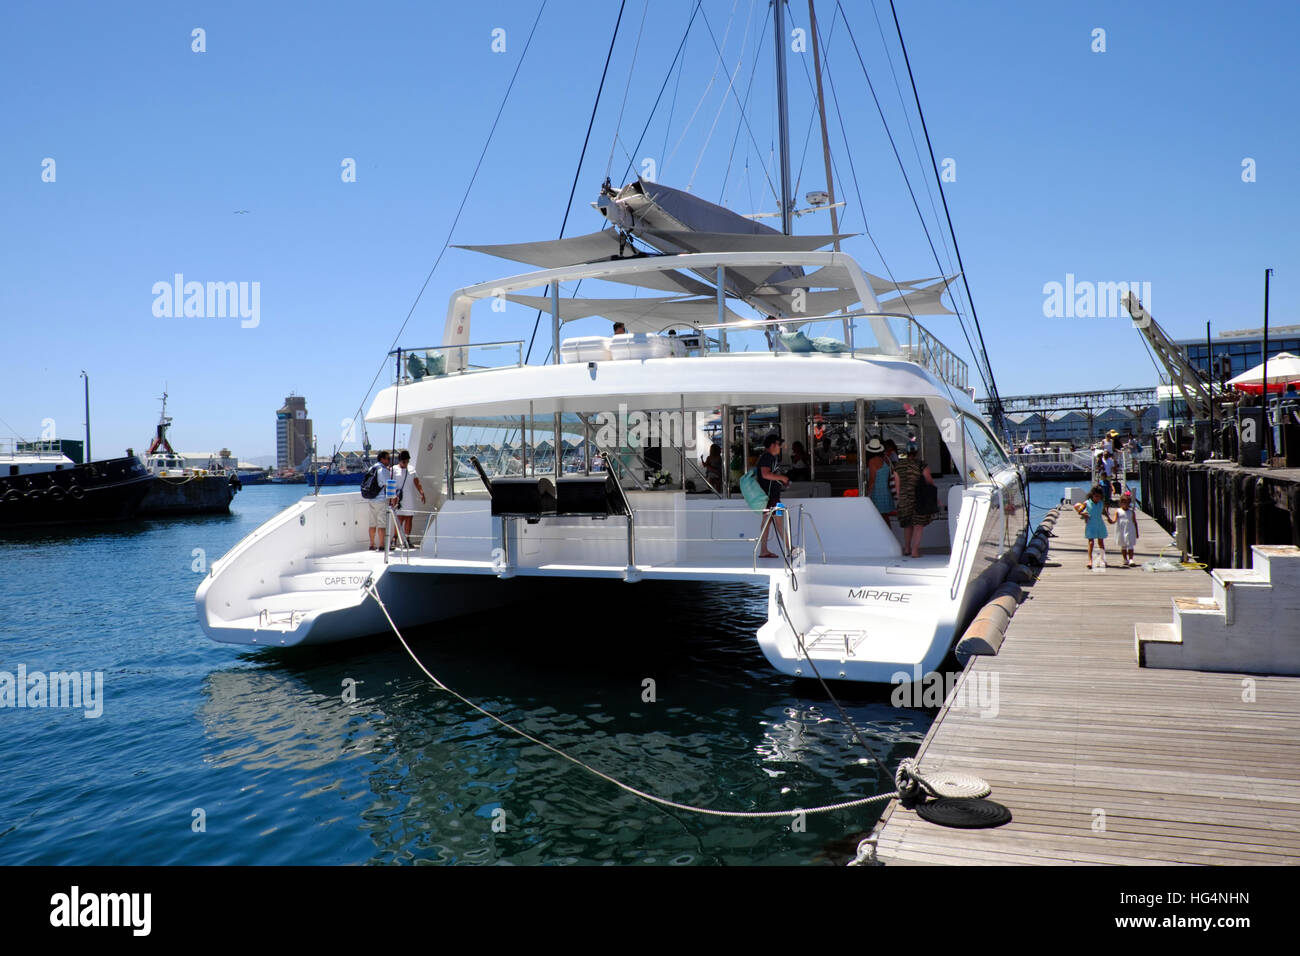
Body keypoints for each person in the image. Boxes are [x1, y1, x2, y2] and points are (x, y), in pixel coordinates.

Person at [892, 444, 937, 559]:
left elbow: (897, 486)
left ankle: (907, 549)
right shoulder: (921, 465)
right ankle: (915, 551)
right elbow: (929, 481)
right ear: (917, 452)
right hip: (919, 498)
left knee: (907, 524)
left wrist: (900, 498)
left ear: (906, 452)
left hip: (904, 498)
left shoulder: (898, 466)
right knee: (918, 525)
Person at [756, 433, 790, 559]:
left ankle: (763, 550)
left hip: (770, 497)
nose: (780, 447)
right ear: (772, 445)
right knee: (779, 522)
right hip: (771, 498)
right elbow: (765, 474)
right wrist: (783, 478)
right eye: (778, 444)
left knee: (766, 523)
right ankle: (790, 548)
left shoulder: (768, 457)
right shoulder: (767, 457)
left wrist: (781, 480)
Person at [1073, 484, 1113, 569]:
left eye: (1099, 496)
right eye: (1095, 496)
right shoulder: (1087, 503)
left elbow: (1104, 512)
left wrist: (1108, 518)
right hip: (1091, 524)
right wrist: (1083, 513)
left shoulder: (1101, 503)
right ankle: (1090, 560)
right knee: (1091, 542)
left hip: (1099, 524)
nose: (1097, 498)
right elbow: (1079, 511)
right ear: (1092, 495)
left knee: (1101, 542)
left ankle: (1102, 559)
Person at [392, 450, 425, 548]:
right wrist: (393, 496)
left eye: (407, 461)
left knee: (409, 518)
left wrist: (422, 493)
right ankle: (395, 539)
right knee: (399, 519)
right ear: (400, 461)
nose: (405, 463)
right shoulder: (393, 470)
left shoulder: (412, 469)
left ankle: (407, 539)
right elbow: (390, 484)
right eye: (403, 462)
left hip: (409, 498)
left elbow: (417, 482)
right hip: (398, 498)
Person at [864, 436, 896, 526]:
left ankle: (886, 539)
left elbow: (872, 480)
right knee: (885, 519)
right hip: (886, 492)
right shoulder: (886, 459)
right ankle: (889, 538)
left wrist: (867, 494)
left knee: (879, 520)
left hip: (877, 493)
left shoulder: (872, 461)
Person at [365, 450, 393, 551]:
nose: (389, 460)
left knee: (372, 523)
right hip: (381, 500)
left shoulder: (371, 468)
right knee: (382, 523)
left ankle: (372, 544)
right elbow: (388, 485)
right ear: (382, 459)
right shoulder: (383, 470)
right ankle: (382, 545)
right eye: (388, 458)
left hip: (371, 499)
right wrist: (394, 498)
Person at [1113, 491, 1140, 567]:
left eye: (1128, 503)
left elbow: (1135, 522)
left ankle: (1131, 559)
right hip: (1121, 530)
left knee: (1130, 545)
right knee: (1123, 546)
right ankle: (1125, 559)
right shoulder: (1118, 511)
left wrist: (1137, 532)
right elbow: (1114, 520)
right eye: (1125, 503)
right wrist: (1111, 521)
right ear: (1121, 503)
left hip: (1130, 530)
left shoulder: (1131, 512)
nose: (1126, 505)